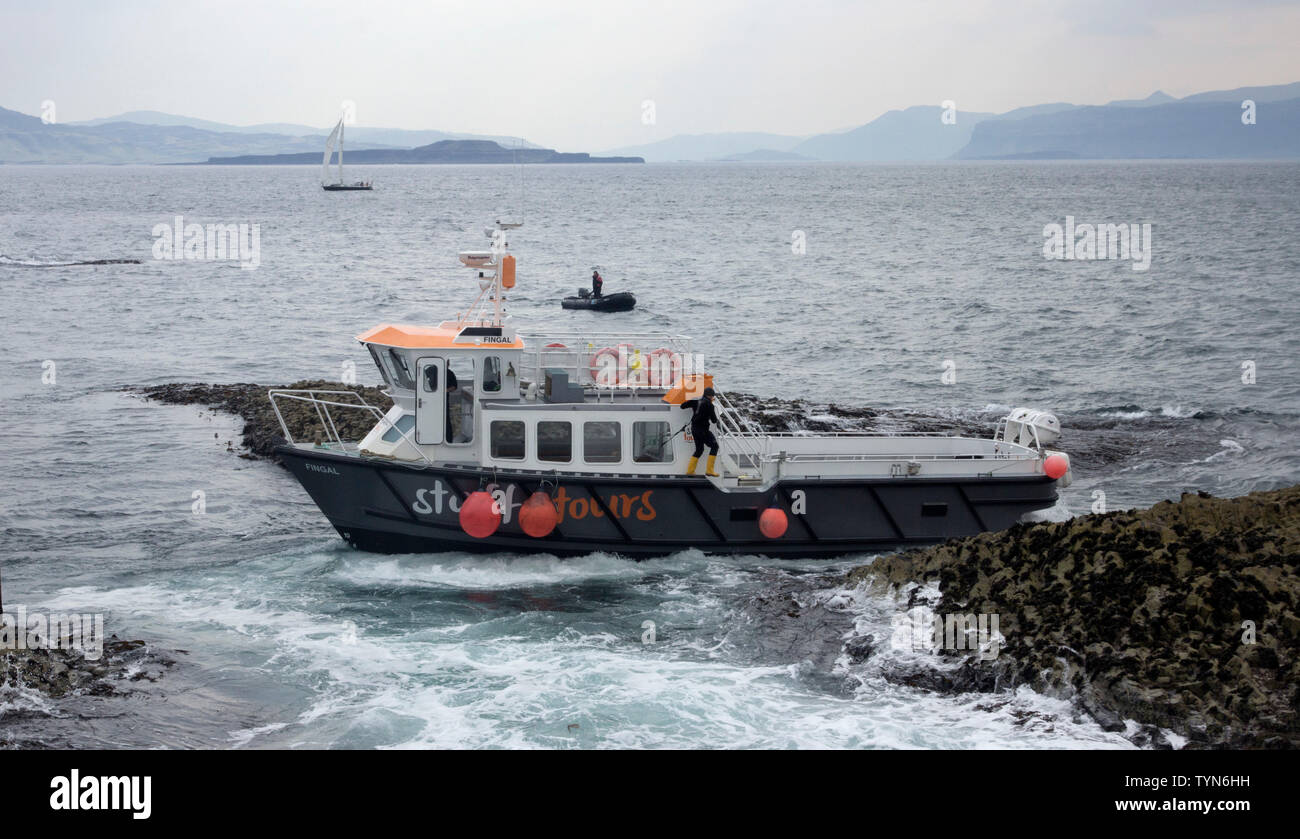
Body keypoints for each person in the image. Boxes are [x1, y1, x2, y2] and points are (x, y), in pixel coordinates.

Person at [680, 386, 721, 477]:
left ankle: (690, 471)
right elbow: (714, 420)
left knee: (699, 450)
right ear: (710, 396)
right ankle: (709, 470)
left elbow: (682, 406)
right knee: (714, 446)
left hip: (694, 429)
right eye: (712, 396)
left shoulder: (695, 401)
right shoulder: (710, 405)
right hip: (703, 430)